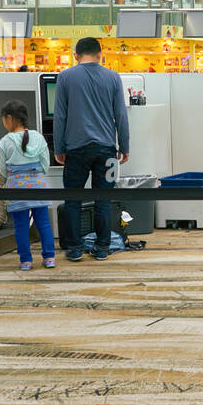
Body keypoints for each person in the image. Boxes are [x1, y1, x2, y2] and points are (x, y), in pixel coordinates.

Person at [54, 37, 129, 262]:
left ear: (75, 55)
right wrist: (124, 146)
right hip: (107, 150)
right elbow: (121, 116)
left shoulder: (65, 77)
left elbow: (60, 116)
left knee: (73, 199)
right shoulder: (113, 77)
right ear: (100, 54)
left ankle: (75, 249)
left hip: (75, 150)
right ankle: (103, 248)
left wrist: (58, 147)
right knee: (103, 199)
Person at [0, 100, 56, 271]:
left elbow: (4, 170)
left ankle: (26, 261)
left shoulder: (4, 141)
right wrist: (37, 175)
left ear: (9, 118)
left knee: (21, 226)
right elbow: (45, 163)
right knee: (43, 223)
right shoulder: (38, 137)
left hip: (17, 187)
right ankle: (49, 257)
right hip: (38, 184)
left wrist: (15, 178)